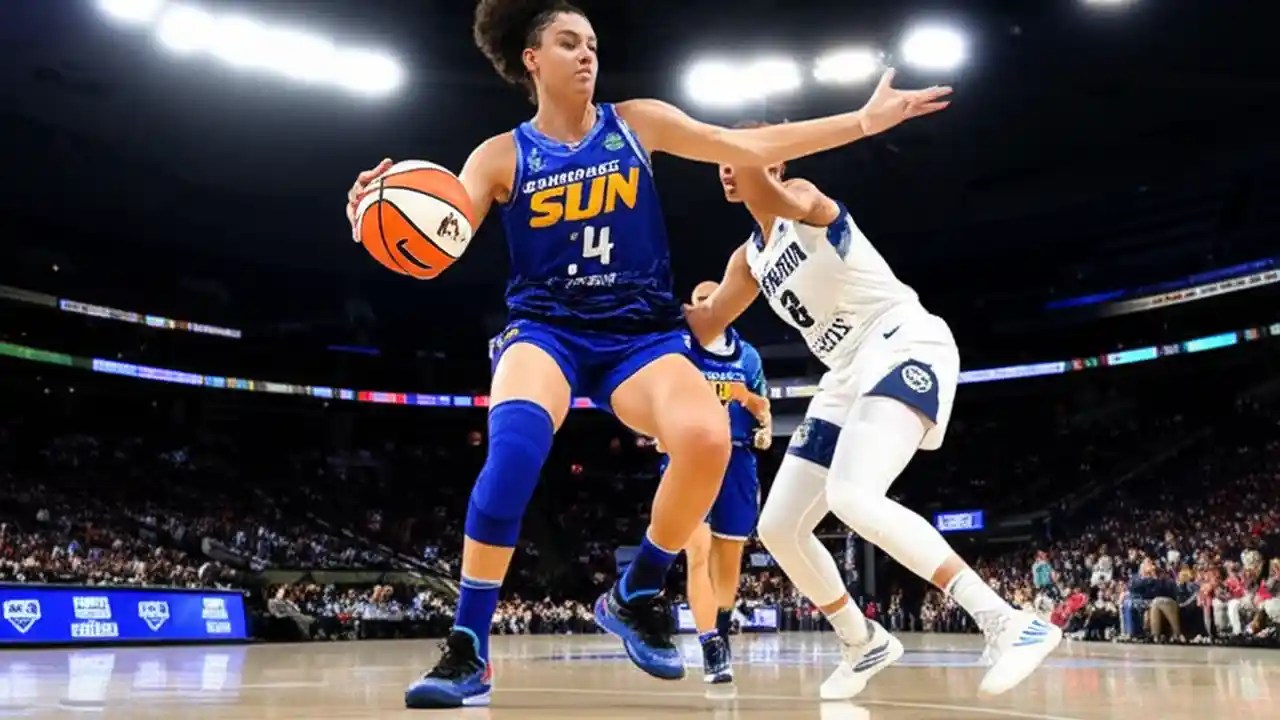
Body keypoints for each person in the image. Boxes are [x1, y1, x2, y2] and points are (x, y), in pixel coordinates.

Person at [344, 0, 951, 709]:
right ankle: (468, 647)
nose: (586, 53)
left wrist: (862, 121)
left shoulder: (636, 123)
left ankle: (635, 594)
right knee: (513, 454)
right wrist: (377, 212)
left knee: (708, 438)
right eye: (568, 42)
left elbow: (744, 146)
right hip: (546, 330)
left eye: (591, 43)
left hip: (640, 335)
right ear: (531, 59)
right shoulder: (500, 156)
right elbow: (439, 243)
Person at [683, 131, 1061, 701]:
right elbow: (706, 322)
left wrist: (754, 149)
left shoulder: (803, 198)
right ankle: (862, 642)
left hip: (901, 340)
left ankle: (1008, 622)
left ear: (773, 162)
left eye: (739, 156)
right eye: (720, 162)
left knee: (852, 495)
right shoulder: (749, 258)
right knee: (779, 525)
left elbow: (780, 195)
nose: (726, 169)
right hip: (843, 373)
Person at [664, 280, 770, 684]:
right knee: (698, 550)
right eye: (701, 301)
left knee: (729, 560)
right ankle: (709, 644)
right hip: (689, 456)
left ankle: (720, 633)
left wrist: (763, 423)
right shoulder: (679, 349)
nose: (709, 306)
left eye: (715, 299)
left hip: (737, 458)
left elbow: (762, 404)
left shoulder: (749, 355)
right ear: (691, 307)